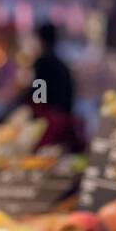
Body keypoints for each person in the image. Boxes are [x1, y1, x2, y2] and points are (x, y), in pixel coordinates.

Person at [28, 22, 82, 152]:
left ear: (40, 39)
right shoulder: (63, 64)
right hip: (65, 119)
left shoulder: (41, 62)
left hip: (51, 122)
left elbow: (38, 93)